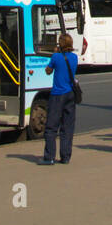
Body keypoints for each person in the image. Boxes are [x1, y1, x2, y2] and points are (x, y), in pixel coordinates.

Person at [41, 33, 77, 165]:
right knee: (67, 127)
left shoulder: (56, 57)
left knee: (51, 127)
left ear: (60, 44)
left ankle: (49, 157)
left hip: (57, 94)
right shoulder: (74, 57)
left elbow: (48, 71)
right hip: (70, 93)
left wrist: (55, 54)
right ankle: (65, 156)